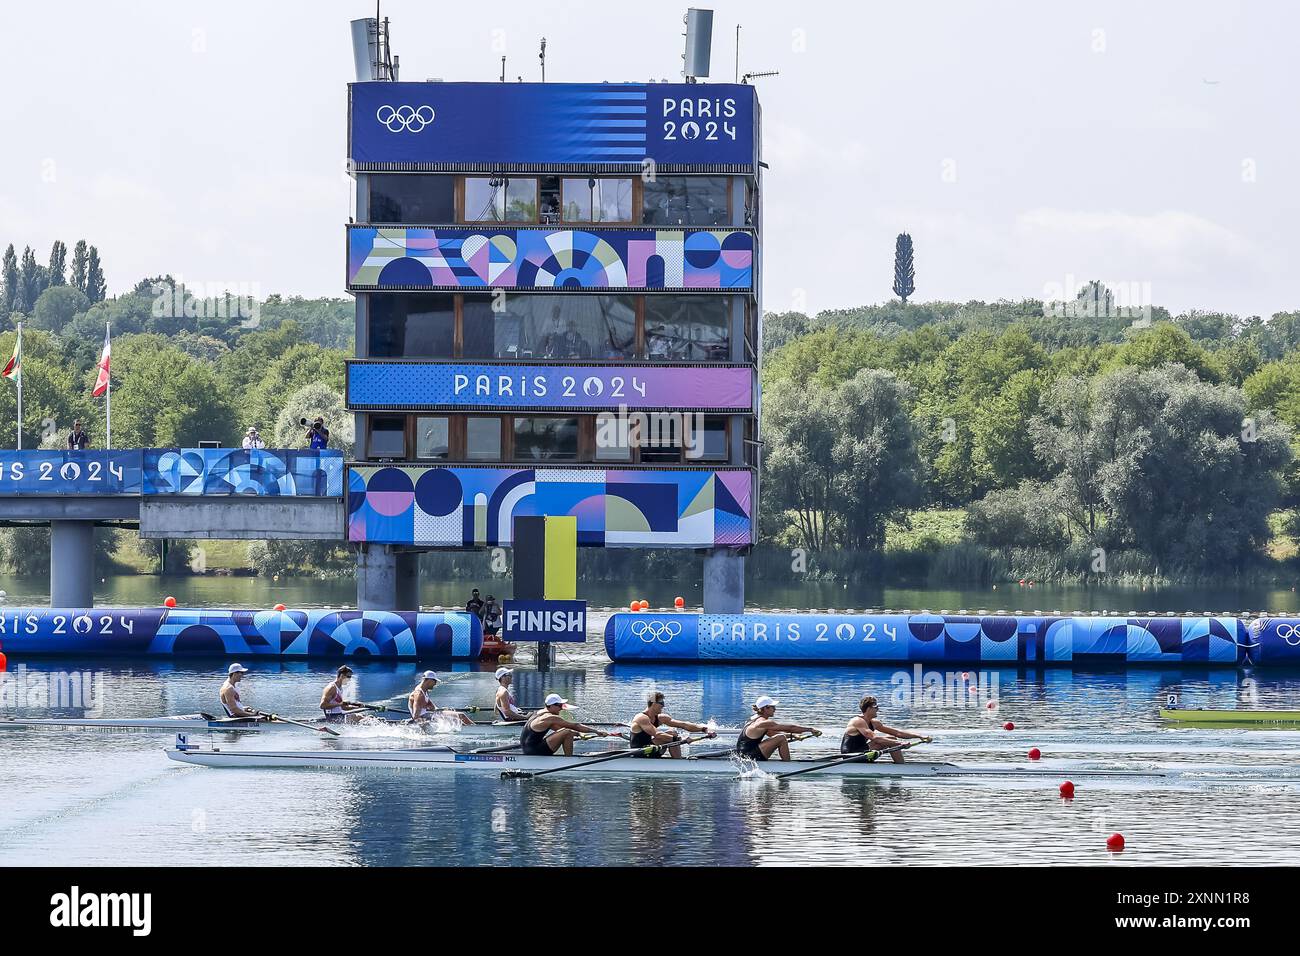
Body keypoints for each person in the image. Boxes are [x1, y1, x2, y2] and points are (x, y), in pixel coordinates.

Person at [520, 693, 618, 756]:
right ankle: (568, 761)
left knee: (567, 732)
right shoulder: (550, 717)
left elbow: (558, 729)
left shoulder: (538, 713)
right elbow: (575, 726)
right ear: (551, 706)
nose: (562, 708)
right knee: (567, 732)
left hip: (528, 749)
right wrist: (597, 732)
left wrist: (579, 734)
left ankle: (568, 758)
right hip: (534, 752)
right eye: (559, 706)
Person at [627, 689, 715, 758]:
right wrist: (680, 739)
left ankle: (678, 761)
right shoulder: (641, 718)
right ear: (653, 704)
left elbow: (684, 725)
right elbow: (658, 734)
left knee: (672, 733)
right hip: (639, 752)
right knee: (673, 737)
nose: (663, 706)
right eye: (661, 703)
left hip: (652, 749)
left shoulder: (660, 718)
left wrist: (704, 729)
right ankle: (678, 763)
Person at [841, 695, 930, 763]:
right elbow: (875, 738)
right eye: (876, 707)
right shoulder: (857, 721)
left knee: (892, 738)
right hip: (851, 755)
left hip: (862, 752)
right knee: (889, 741)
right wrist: (900, 743)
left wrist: (919, 736)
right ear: (868, 709)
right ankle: (901, 768)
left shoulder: (874, 723)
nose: (878, 710)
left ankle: (901, 766)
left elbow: (898, 733)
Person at [734, 695, 820, 762]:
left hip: (744, 755)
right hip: (750, 756)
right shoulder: (764, 723)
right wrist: (810, 729)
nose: (775, 709)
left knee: (780, 737)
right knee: (781, 738)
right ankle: (788, 766)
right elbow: (790, 728)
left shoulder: (753, 719)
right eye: (773, 707)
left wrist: (793, 736)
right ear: (765, 708)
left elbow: (773, 734)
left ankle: (786, 764)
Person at [408, 671, 473, 726]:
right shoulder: (419, 694)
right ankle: (476, 729)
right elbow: (416, 717)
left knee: (459, 716)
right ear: (429, 680)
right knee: (461, 716)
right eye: (435, 681)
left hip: (430, 715)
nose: (435, 684)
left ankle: (472, 728)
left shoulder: (424, 691)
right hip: (426, 718)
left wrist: (444, 710)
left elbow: (433, 708)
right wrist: (429, 724)